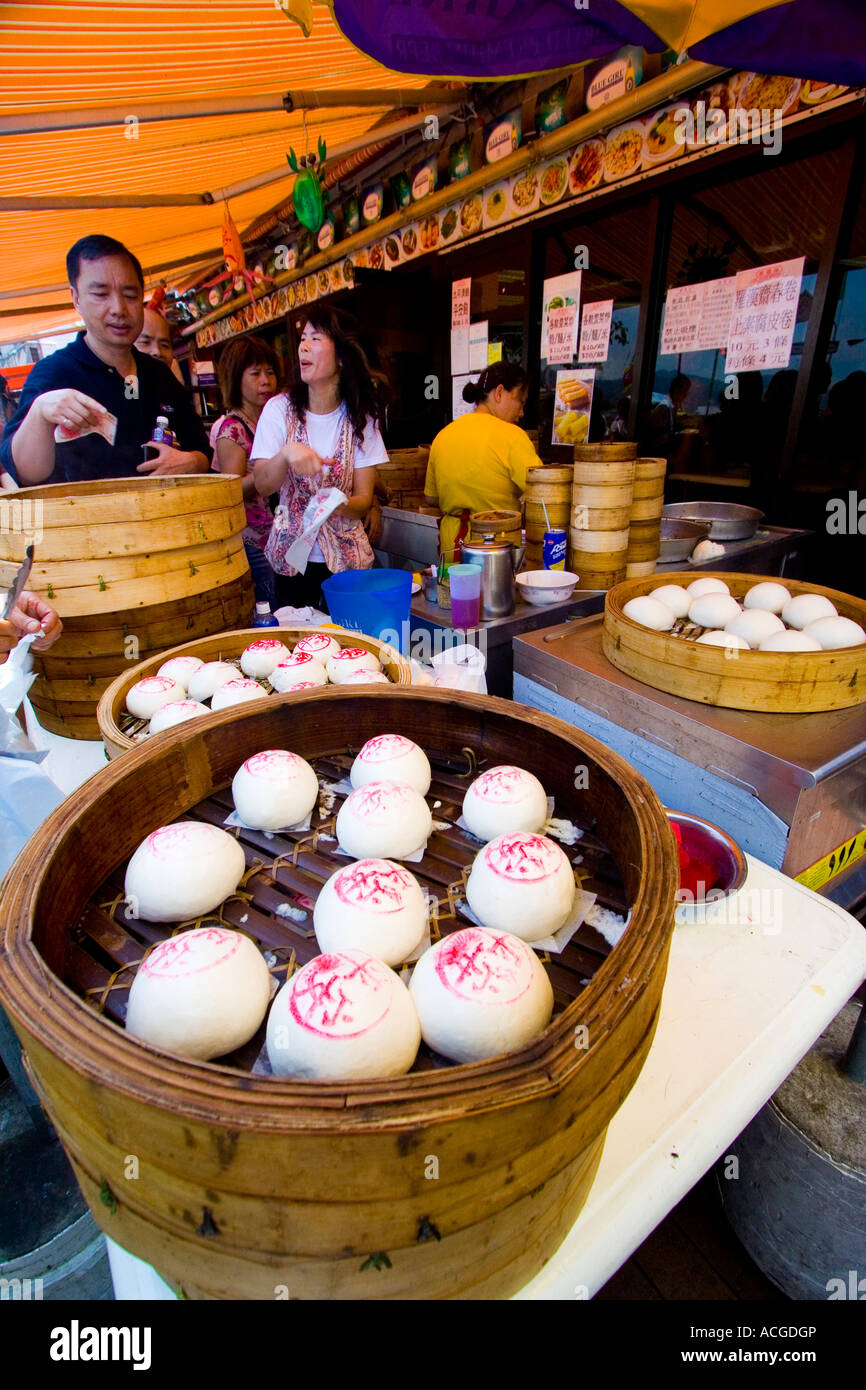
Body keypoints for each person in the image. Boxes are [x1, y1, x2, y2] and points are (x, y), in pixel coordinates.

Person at [0, 234, 211, 486]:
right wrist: (39, 414)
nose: (119, 309)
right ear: (76, 298)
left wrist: (192, 462)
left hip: (167, 519)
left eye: (130, 295)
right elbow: (24, 473)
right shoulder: (55, 373)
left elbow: (202, 451)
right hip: (90, 523)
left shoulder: (159, 374)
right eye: (101, 294)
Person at [252, 306, 389, 611]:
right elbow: (262, 484)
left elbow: (364, 500)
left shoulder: (361, 418)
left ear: (341, 355)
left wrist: (336, 502)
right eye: (302, 338)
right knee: (296, 649)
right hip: (291, 561)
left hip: (346, 563)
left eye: (315, 338)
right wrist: (287, 454)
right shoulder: (279, 410)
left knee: (346, 648)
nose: (303, 346)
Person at [423, 362, 540, 561]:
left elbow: (432, 499)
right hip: (495, 548)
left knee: (455, 592)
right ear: (499, 392)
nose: (521, 412)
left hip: (452, 548)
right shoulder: (513, 436)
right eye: (521, 401)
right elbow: (542, 494)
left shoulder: (443, 435)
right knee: (494, 592)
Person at [211, 335, 279, 605]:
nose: (265, 380)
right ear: (236, 378)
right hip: (254, 542)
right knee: (272, 609)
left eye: (270, 372)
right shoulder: (233, 429)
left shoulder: (270, 421)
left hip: (278, 536)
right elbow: (231, 491)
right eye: (255, 373)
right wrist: (269, 471)